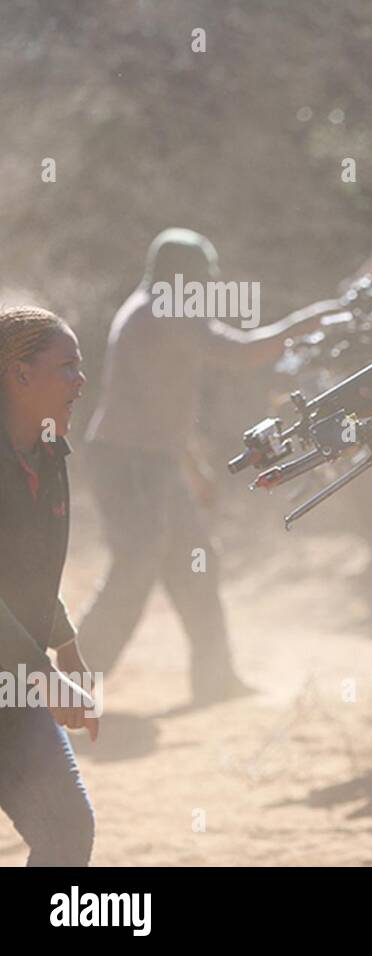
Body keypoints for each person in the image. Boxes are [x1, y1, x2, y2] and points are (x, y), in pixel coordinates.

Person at [80, 229, 336, 703]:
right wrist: (304, 323)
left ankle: (214, 680)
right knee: (136, 564)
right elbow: (239, 352)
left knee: (195, 561)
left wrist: (191, 468)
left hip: (151, 460)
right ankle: (72, 684)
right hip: (129, 462)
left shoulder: (155, 308)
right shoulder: (161, 308)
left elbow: (162, 405)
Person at [0, 305, 98, 865]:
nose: (80, 381)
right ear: (19, 375)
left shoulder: (48, 450)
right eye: (67, 367)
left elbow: (29, 570)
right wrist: (45, 676)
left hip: (10, 687)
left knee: (65, 829)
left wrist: (66, 646)